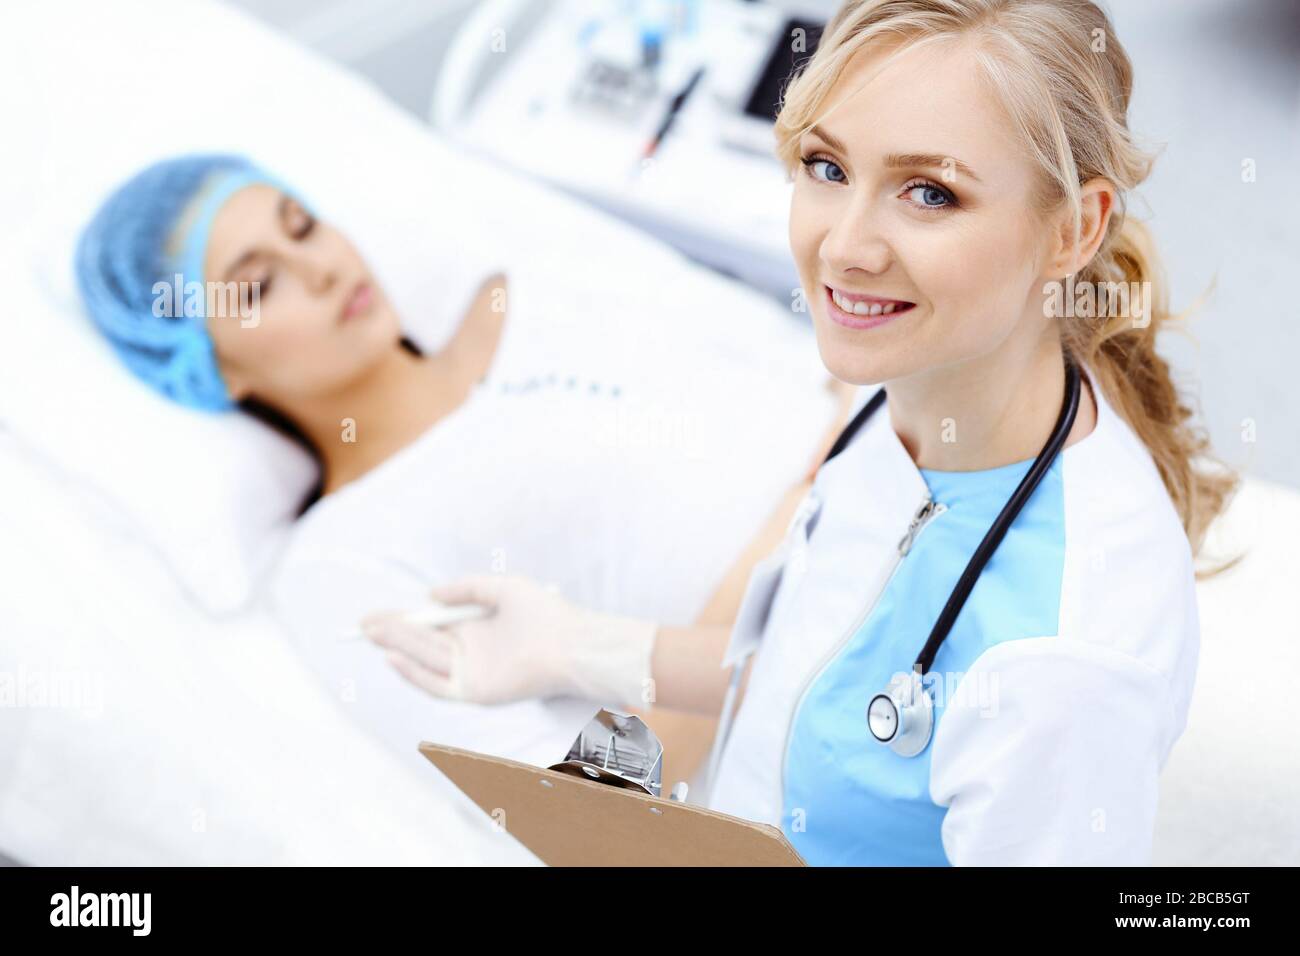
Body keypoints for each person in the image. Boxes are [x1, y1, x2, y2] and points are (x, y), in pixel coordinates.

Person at [365, 0, 1239, 865]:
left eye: (929, 193)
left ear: (1074, 229)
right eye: (826, 167)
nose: (844, 246)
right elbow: (818, 673)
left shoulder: (1063, 666)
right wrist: (569, 645)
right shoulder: (902, 404)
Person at [74, 153, 851, 782]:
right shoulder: (341, 563)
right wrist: (816, 502)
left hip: (935, 466)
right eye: (258, 284)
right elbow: (605, 812)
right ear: (213, 368)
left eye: (303, 226)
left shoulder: (516, 292)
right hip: (858, 653)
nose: (319, 268)